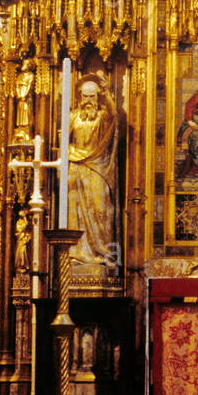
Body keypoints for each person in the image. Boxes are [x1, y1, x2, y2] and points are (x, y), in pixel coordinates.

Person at [69, 78, 119, 269]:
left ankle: (102, 251)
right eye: (85, 96)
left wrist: (108, 95)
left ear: (98, 97)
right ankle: (77, 253)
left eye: (92, 96)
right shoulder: (73, 116)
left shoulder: (103, 116)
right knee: (75, 211)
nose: (88, 100)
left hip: (98, 167)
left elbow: (115, 116)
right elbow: (63, 139)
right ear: (79, 96)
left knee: (101, 208)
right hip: (76, 166)